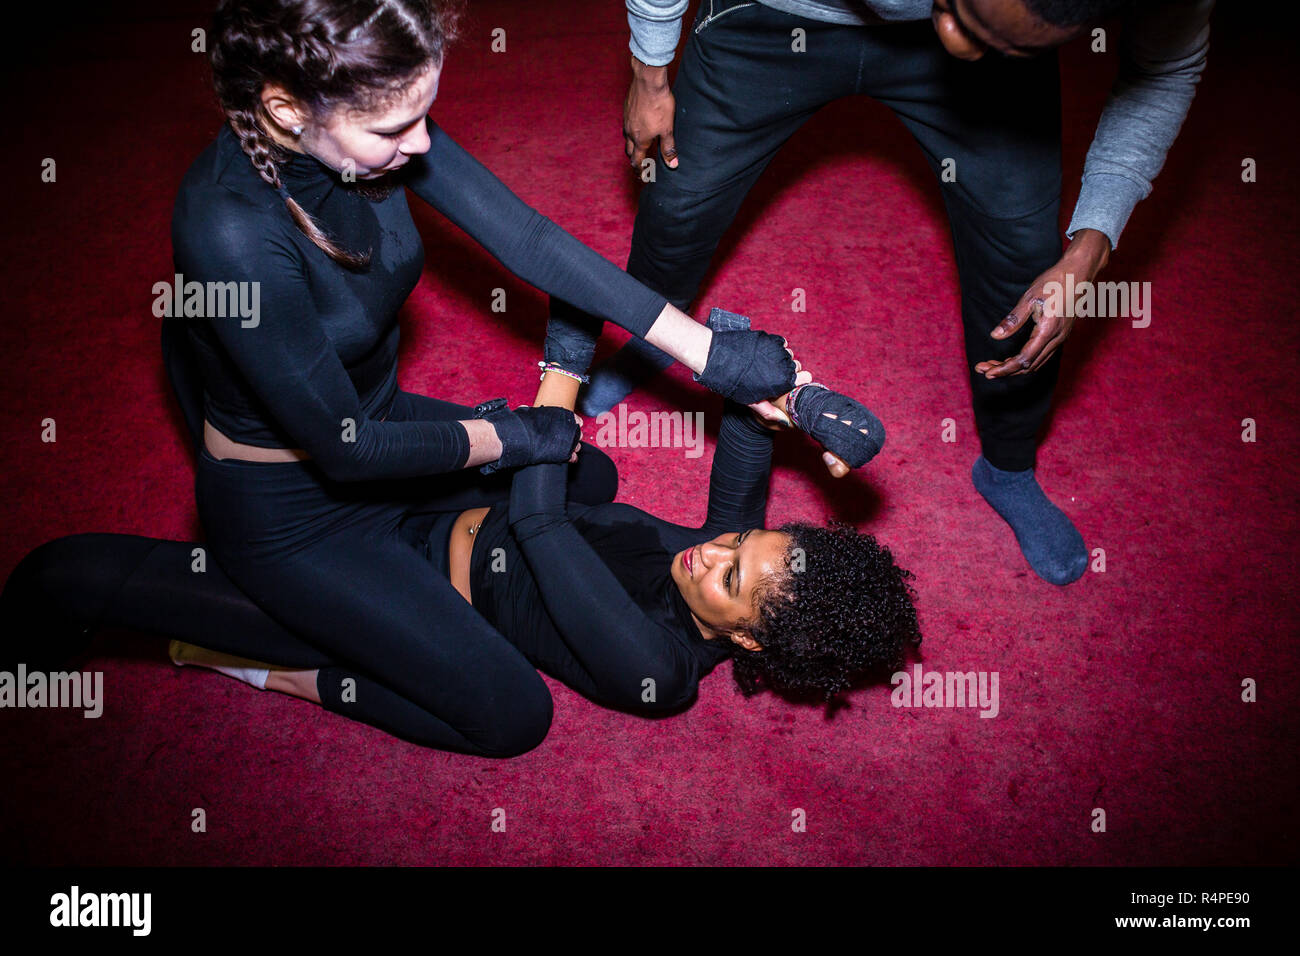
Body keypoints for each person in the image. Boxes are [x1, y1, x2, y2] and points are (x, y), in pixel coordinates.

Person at [0, 0, 888, 758]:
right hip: (297, 503)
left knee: (581, 494)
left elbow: (533, 244)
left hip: (388, 431)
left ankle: (363, 617)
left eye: (427, 114)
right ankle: (153, 614)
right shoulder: (228, 228)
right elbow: (342, 453)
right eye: (396, 129)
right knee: (71, 578)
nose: (423, 145)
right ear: (282, 109)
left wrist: (725, 364)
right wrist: (524, 429)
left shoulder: (364, 128)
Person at [2, 309, 918, 750]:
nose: (714, 549)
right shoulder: (721, 569)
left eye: (728, 576)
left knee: (62, 575)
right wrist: (775, 397)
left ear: (747, 637)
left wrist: (563, 365)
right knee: (595, 470)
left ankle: (282, 666)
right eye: (743, 545)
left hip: (381, 587)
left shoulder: (658, 671)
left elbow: (539, 520)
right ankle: (280, 422)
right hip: (442, 502)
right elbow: (739, 481)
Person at [559, 0, 1215, 585]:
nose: (951, 36)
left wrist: (1092, 241)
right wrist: (650, 67)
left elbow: (1165, 68)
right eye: (953, 6)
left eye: (979, 29)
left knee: (1022, 260)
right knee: (679, 205)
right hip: (776, 14)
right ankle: (647, 344)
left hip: (1006, 40)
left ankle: (1009, 464)